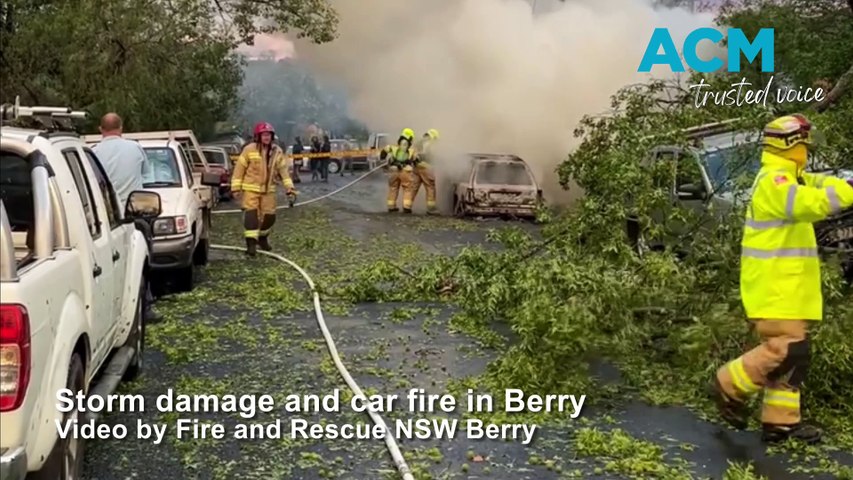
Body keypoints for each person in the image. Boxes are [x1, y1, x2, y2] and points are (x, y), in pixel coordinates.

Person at [711, 114, 853, 444]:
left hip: (789, 288)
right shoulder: (775, 182)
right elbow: (809, 204)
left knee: (794, 357)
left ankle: (780, 423)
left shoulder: (792, 177)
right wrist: (849, 195)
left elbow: (821, 185)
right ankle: (727, 383)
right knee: (785, 351)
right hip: (775, 286)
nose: (807, 150)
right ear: (791, 145)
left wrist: (847, 185)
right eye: (803, 143)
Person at [91, 113, 161, 322]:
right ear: (121, 127)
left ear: (100, 129)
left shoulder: (92, 154)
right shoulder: (135, 148)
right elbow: (147, 177)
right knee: (141, 261)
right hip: (135, 215)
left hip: (106, 218)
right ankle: (145, 305)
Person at [231, 122, 296, 256]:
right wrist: (236, 188)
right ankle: (251, 245)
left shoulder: (277, 151)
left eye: (269, 135)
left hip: (268, 191)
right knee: (251, 217)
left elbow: (284, 171)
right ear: (258, 136)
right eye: (264, 135)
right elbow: (239, 169)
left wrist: (290, 188)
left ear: (272, 136)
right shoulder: (249, 149)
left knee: (269, 217)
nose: (266, 137)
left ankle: (262, 238)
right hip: (251, 190)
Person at [379, 132, 417, 212]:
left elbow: (383, 152)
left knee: (393, 187)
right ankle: (407, 207)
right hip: (405, 170)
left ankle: (391, 206)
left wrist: (383, 161)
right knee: (407, 188)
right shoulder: (411, 150)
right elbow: (415, 160)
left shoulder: (393, 147)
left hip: (394, 170)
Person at [409, 128, 440, 215]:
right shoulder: (429, 144)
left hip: (416, 168)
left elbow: (412, 154)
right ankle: (431, 208)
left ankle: (407, 206)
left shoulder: (419, 142)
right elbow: (432, 155)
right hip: (426, 167)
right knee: (430, 187)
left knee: (413, 187)